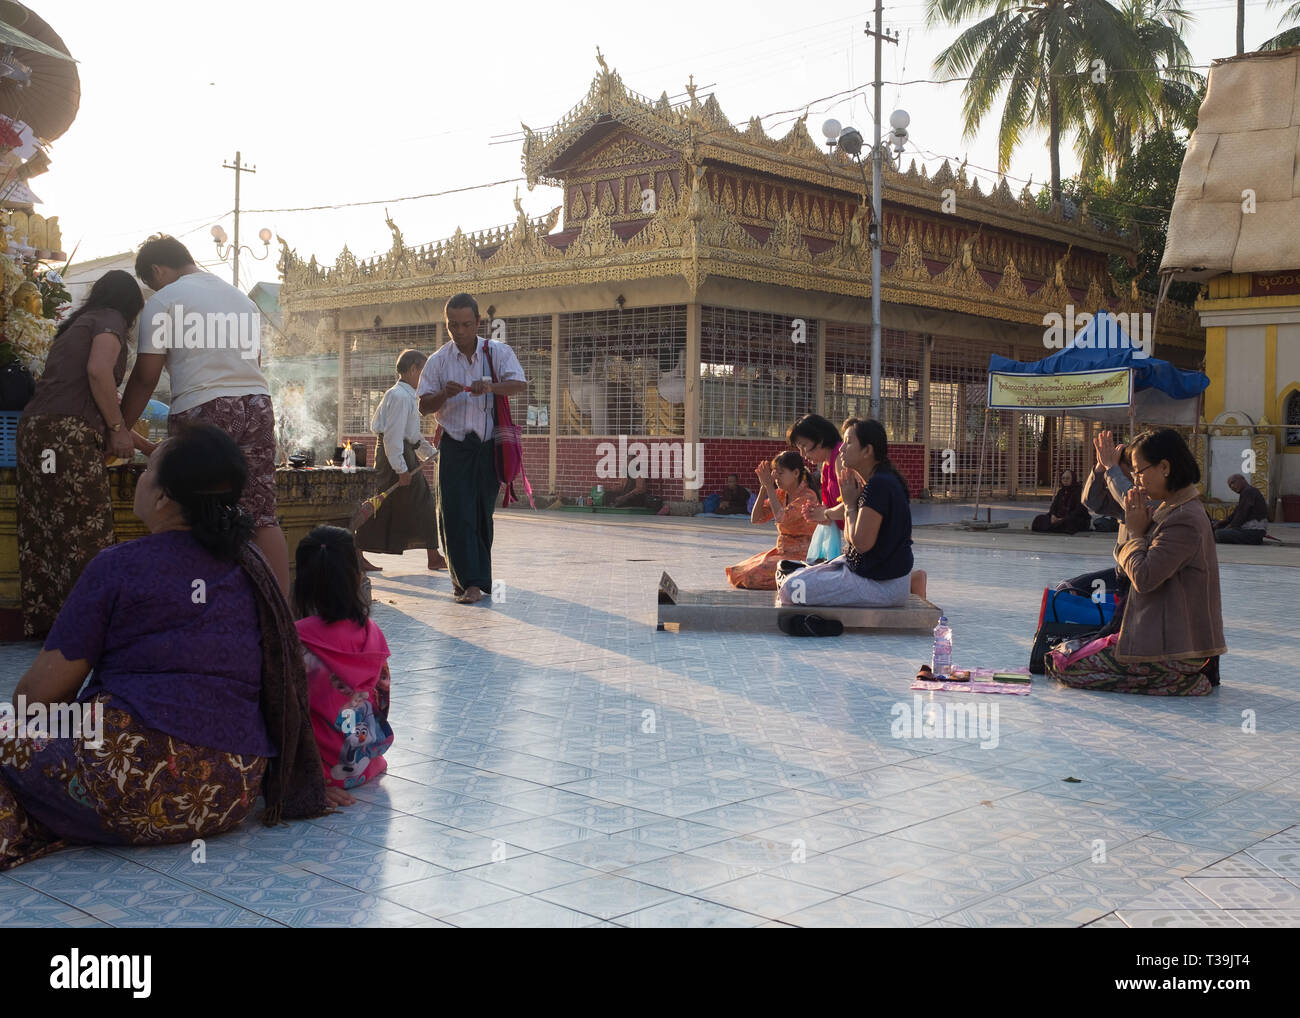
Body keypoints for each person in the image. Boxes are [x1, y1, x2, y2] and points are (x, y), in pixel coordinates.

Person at [0, 425, 326, 870]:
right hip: (231, 792)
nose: (139, 474)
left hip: (128, 782)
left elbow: (35, 699)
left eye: (148, 468)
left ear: (163, 498)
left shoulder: (117, 567)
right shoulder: (254, 567)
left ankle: (46, 816)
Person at [119, 234, 291, 595]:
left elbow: (146, 376)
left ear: (156, 271)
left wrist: (118, 425)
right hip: (257, 403)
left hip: (204, 409)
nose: (152, 289)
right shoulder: (241, 300)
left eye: (150, 283)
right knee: (261, 514)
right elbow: (255, 362)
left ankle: (199, 606)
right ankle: (280, 615)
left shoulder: (165, 300)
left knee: (192, 513)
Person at [1046, 428, 1225, 695]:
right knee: (1057, 657)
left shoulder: (1183, 517)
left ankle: (1185, 681)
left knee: (1066, 666)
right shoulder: (1170, 506)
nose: (1137, 480)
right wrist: (1103, 468)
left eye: (1140, 471)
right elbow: (1093, 501)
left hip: (1172, 649)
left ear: (1165, 467)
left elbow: (1144, 577)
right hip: (1157, 635)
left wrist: (1135, 532)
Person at [16, 270, 145, 638]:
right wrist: (118, 430)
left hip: (37, 431)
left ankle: (47, 624)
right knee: (87, 528)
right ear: (131, 306)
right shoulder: (111, 320)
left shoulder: (80, 322)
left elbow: (89, 398)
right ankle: (89, 625)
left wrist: (143, 444)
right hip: (67, 435)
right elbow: (98, 373)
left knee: (44, 527)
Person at [416, 293, 527, 604]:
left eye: (466, 324)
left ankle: (479, 579)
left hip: (487, 447)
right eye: (453, 325)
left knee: (481, 516)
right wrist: (443, 395)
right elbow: (424, 405)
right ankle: (469, 583)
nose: (459, 331)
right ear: (447, 324)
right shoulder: (439, 360)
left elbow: (519, 384)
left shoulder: (498, 353)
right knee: (455, 514)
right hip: (454, 447)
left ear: (478, 323)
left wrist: (490, 386)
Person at [293, 526, 394, 808]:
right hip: (366, 765)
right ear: (357, 577)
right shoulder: (373, 634)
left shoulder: (295, 640)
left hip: (319, 773)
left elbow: (284, 714)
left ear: (301, 582)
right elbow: (381, 702)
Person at [778, 418, 925, 606]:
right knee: (790, 572)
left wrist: (849, 504)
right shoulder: (878, 480)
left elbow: (861, 543)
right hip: (871, 574)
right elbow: (853, 538)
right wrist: (846, 506)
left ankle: (912, 581)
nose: (841, 449)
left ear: (867, 451)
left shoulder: (879, 485)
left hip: (881, 585)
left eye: (848, 443)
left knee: (792, 588)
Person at [354, 349, 446, 572]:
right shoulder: (398, 396)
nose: (425, 378)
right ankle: (356, 554)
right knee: (382, 504)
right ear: (413, 370)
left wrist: (434, 456)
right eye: (423, 372)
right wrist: (401, 468)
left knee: (418, 502)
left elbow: (412, 437)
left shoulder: (407, 396)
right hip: (392, 456)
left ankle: (433, 555)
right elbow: (393, 437)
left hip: (402, 453)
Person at [1056, 430, 1135, 616]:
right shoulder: (1122, 499)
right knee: (1067, 590)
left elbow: (1131, 501)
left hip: (1138, 579)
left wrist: (1113, 470)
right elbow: (1091, 501)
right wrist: (1100, 468)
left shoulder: (1151, 499)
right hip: (1122, 573)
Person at [726, 451, 818, 589]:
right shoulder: (781, 494)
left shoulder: (807, 496)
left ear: (796, 473)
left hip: (802, 555)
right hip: (782, 551)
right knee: (737, 572)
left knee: (752, 576)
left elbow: (782, 518)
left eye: (780, 473)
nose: (776, 478)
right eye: (775, 474)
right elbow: (756, 518)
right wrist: (764, 487)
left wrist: (769, 486)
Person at [788, 413, 844, 561]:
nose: (802, 454)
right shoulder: (826, 465)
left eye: (804, 446)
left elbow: (853, 506)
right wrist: (817, 513)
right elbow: (833, 512)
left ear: (819, 440)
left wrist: (825, 514)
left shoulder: (840, 458)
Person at [1031, 468, 1091, 534]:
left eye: (1068, 478)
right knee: (1039, 519)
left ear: (1073, 479)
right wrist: (1053, 515)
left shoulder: (1079, 492)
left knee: (1070, 522)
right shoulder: (1061, 492)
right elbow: (1054, 506)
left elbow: (1078, 510)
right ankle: (1056, 526)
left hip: (1074, 518)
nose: (1065, 480)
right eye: (1063, 478)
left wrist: (1063, 519)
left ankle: (1055, 526)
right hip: (1058, 517)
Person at [1214, 474, 1268, 545]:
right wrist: (1220, 523)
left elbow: (1241, 516)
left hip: (1253, 532)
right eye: (1230, 486)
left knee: (1219, 533)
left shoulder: (1249, 491)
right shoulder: (1245, 493)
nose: (1232, 487)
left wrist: (1227, 528)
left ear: (1243, 480)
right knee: (1217, 526)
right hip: (1252, 532)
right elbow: (1234, 515)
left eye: (1233, 482)